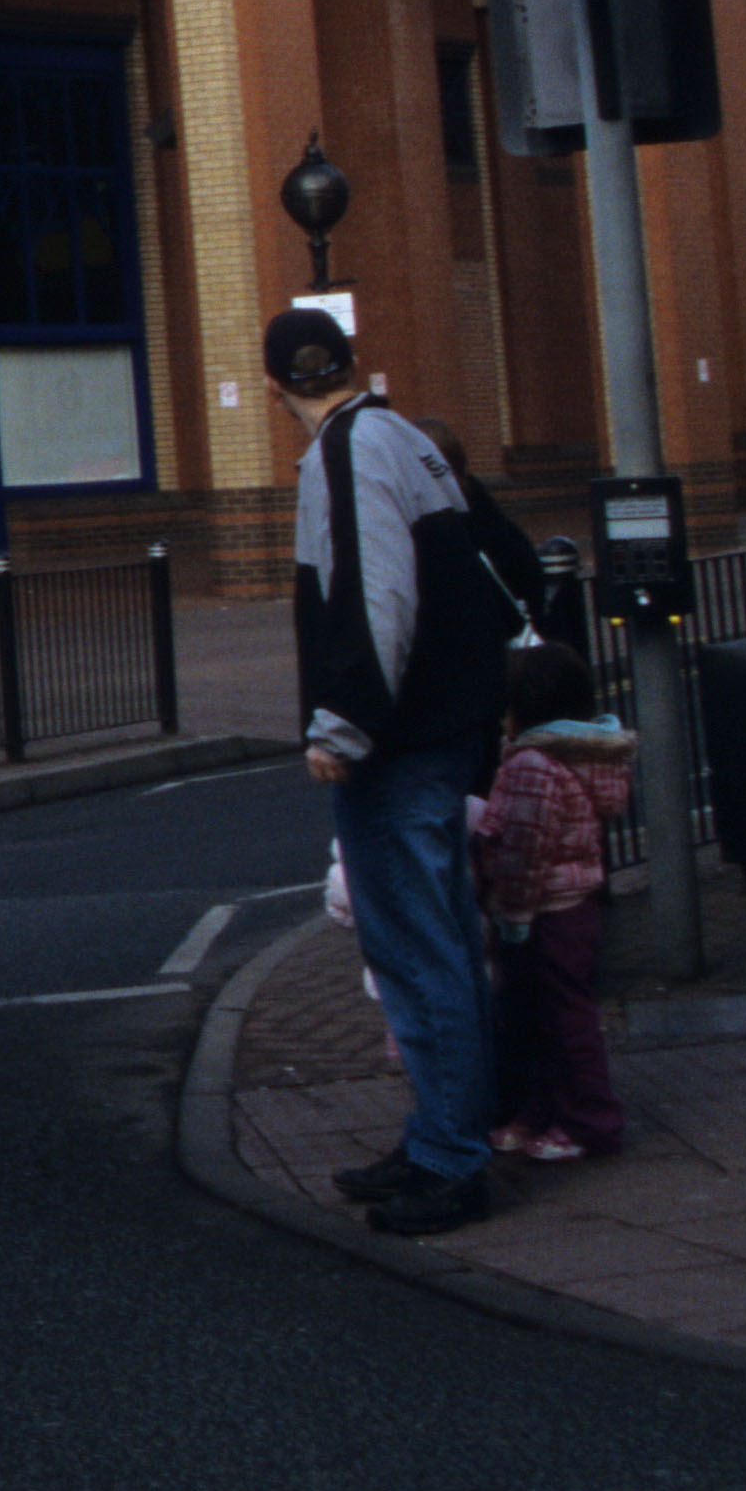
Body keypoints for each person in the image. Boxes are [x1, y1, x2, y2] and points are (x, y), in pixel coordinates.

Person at [273, 303, 529, 1236]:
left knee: (420, 955)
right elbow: (502, 568)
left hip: (401, 744)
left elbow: (376, 595)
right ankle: (439, 1134)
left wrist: (341, 728)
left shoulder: (346, 454)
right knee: (445, 947)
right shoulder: (408, 441)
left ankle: (454, 1158)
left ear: (275, 392)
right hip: (450, 728)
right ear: (353, 362)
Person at [479, 636, 634, 1161]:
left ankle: (591, 1124)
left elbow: (524, 849)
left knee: (563, 1024)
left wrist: (512, 913)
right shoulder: (575, 757)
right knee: (544, 1018)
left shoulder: (531, 765)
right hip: (575, 906)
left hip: (542, 912)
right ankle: (540, 1112)